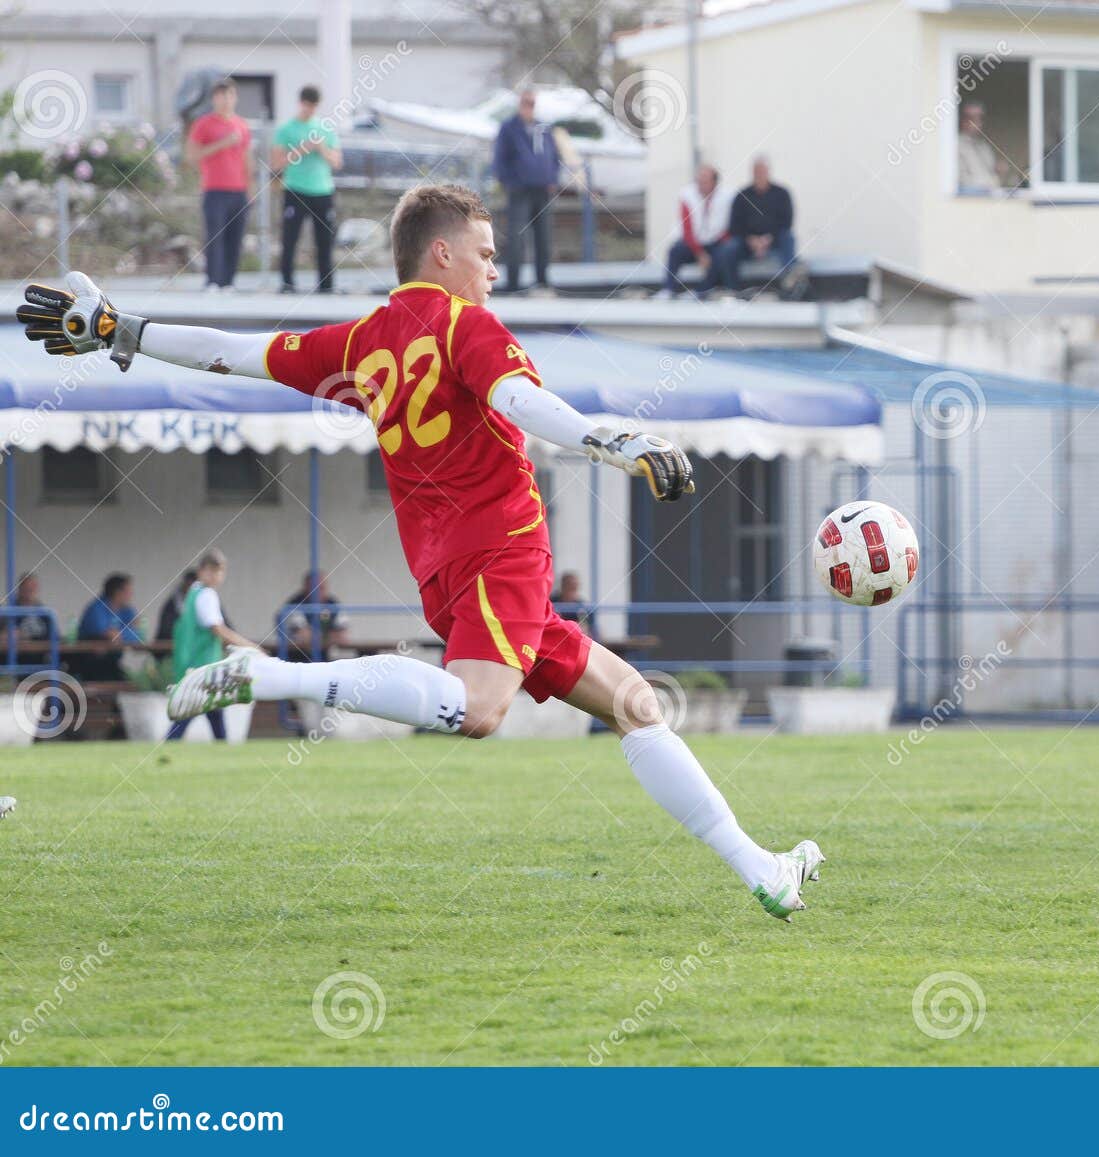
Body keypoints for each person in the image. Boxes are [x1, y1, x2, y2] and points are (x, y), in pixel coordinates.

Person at [15, 184, 823, 922]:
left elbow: (232, 349)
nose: (494, 271)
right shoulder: (463, 324)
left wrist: (124, 330)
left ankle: (762, 867)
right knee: (478, 710)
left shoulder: (363, 339)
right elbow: (519, 398)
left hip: (446, 570)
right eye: (486, 253)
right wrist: (615, 438)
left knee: (635, 704)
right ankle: (272, 675)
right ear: (442, 253)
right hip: (504, 550)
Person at [166, 549, 257, 742]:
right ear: (200, 571)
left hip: (194, 663)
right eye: (211, 570)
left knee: (211, 710)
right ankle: (169, 745)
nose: (215, 576)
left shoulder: (193, 593)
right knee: (191, 711)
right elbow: (218, 629)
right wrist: (249, 646)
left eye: (219, 571)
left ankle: (221, 744)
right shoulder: (207, 595)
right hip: (202, 664)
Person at [272, 85, 342, 295]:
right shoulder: (286, 129)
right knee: (290, 237)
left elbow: (337, 162)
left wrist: (321, 148)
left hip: (322, 190)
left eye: (314, 106)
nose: (310, 110)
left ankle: (326, 285)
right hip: (296, 190)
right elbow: (276, 163)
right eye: (307, 105)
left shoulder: (325, 129)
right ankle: (287, 282)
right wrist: (302, 149)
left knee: (325, 239)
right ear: (300, 103)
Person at [492, 89, 562, 295]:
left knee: (543, 236)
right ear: (519, 104)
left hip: (542, 189)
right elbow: (499, 159)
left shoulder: (543, 128)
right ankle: (513, 282)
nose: (529, 107)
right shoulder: (509, 128)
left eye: (532, 103)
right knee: (517, 236)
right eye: (525, 102)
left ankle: (542, 280)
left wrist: (552, 178)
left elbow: (554, 156)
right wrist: (509, 182)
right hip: (519, 190)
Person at [184, 78, 252, 292]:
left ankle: (228, 282)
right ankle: (213, 281)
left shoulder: (241, 124)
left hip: (238, 190)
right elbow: (192, 155)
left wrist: (250, 189)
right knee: (215, 236)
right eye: (222, 96)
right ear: (214, 99)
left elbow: (247, 158)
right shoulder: (204, 123)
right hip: (214, 189)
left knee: (235, 237)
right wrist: (222, 144)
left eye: (230, 95)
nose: (226, 100)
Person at [716, 156, 797, 295]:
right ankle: (733, 291)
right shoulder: (742, 195)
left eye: (762, 171)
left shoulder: (782, 194)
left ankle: (790, 288)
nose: (760, 175)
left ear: (768, 172)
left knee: (788, 238)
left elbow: (786, 222)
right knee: (729, 248)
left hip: (774, 241)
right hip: (747, 244)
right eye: (757, 171)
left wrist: (767, 239)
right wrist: (751, 240)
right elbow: (734, 226)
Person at [658, 164, 735, 299]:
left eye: (705, 181)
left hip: (715, 242)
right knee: (675, 250)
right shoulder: (687, 195)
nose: (700, 184)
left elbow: (730, 227)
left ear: (714, 182)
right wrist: (699, 253)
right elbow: (686, 227)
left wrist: (711, 250)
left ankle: (702, 291)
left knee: (723, 253)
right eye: (699, 180)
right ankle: (668, 289)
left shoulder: (728, 197)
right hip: (693, 242)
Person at [73, 573, 143, 682]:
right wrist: (123, 633)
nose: (131, 595)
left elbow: (137, 636)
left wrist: (120, 634)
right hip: (90, 663)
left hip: (112, 662)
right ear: (118, 592)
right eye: (128, 591)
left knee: (131, 682)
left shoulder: (127, 610)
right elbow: (106, 635)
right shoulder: (96, 608)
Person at [279, 570, 351, 661]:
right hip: (295, 660)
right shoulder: (294, 604)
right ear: (305, 588)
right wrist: (328, 637)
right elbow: (304, 637)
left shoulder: (333, 604)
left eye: (322, 588)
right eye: (314, 588)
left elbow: (342, 637)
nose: (318, 592)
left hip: (324, 660)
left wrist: (316, 637)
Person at [957, 102, 1004, 195]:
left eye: (980, 118)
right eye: (972, 118)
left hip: (988, 198)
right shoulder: (954, 145)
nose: (977, 122)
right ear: (962, 120)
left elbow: (992, 176)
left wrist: (998, 171)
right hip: (968, 201)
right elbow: (962, 181)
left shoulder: (984, 146)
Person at [7, 571, 53, 645]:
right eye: (27, 587)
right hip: (19, 653)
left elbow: (54, 636)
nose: (31, 590)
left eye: (33, 587)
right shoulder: (9, 611)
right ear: (20, 588)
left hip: (40, 653)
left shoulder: (45, 612)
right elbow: (4, 634)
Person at [157, 569, 197, 642]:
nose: (190, 591)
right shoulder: (171, 604)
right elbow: (165, 631)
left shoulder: (207, 600)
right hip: (172, 646)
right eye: (188, 586)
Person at [555, 571, 593, 636]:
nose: (571, 589)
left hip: (575, 638)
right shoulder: (553, 603)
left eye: (574, 587)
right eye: (568, 586)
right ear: (562, 586)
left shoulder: (583, 607)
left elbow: (588, 628)